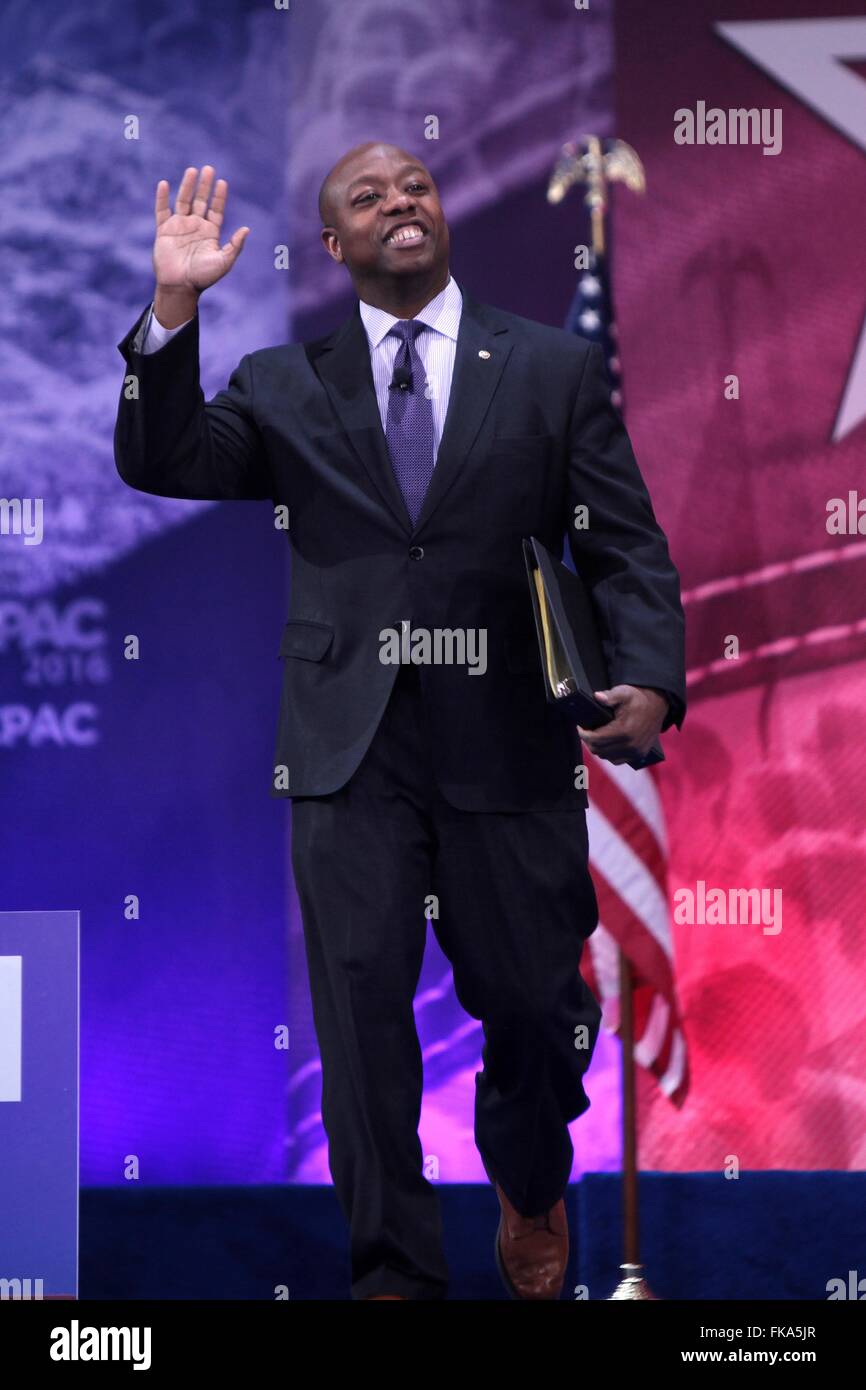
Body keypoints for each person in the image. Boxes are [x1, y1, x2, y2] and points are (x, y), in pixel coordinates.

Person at [114, 142, 686, 1301]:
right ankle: (393, 1276)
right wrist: (173, 306)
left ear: (441, 214)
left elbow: (621, 540)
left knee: (533, 1007)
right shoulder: (284, 382)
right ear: (334, 246)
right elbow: (161, 456)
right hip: (347, 752)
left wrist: (651, 680)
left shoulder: (549, 368)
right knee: (364, 1024)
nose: (399, 204)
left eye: (414, 187)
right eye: (366, 198)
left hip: (509, 745)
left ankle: (529, 1179)